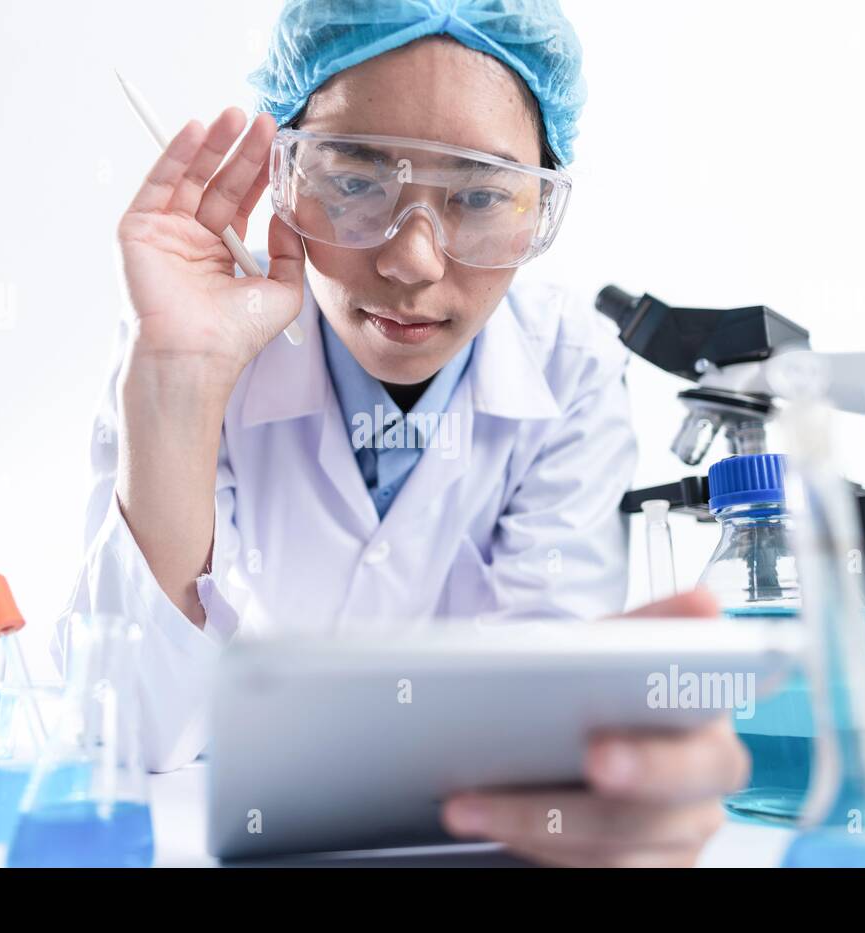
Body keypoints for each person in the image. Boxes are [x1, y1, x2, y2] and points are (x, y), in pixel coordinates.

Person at [62, 0, 749, 866]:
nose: (411, 260)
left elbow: (535, 742)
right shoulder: (187, 342)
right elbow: (130, 730)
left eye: (475, 195)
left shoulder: (571, 365)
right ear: (285, 177)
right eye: (354, 181)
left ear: (539, 207)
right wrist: (179, 386)